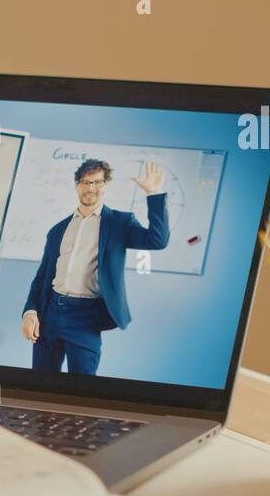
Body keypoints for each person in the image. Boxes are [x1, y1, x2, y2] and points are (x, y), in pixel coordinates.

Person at [20, 159, 169, 374]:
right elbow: (42, 277)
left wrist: (153, 194)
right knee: (40, 384)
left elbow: (157, 240)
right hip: (49, 313)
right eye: (85, 182)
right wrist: (30, 311)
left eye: (98, 182)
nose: (91, 188)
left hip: (86, 317)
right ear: (77, 186)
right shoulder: (58, 230)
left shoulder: (120, 223)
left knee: (82, 387)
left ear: (105, 186)